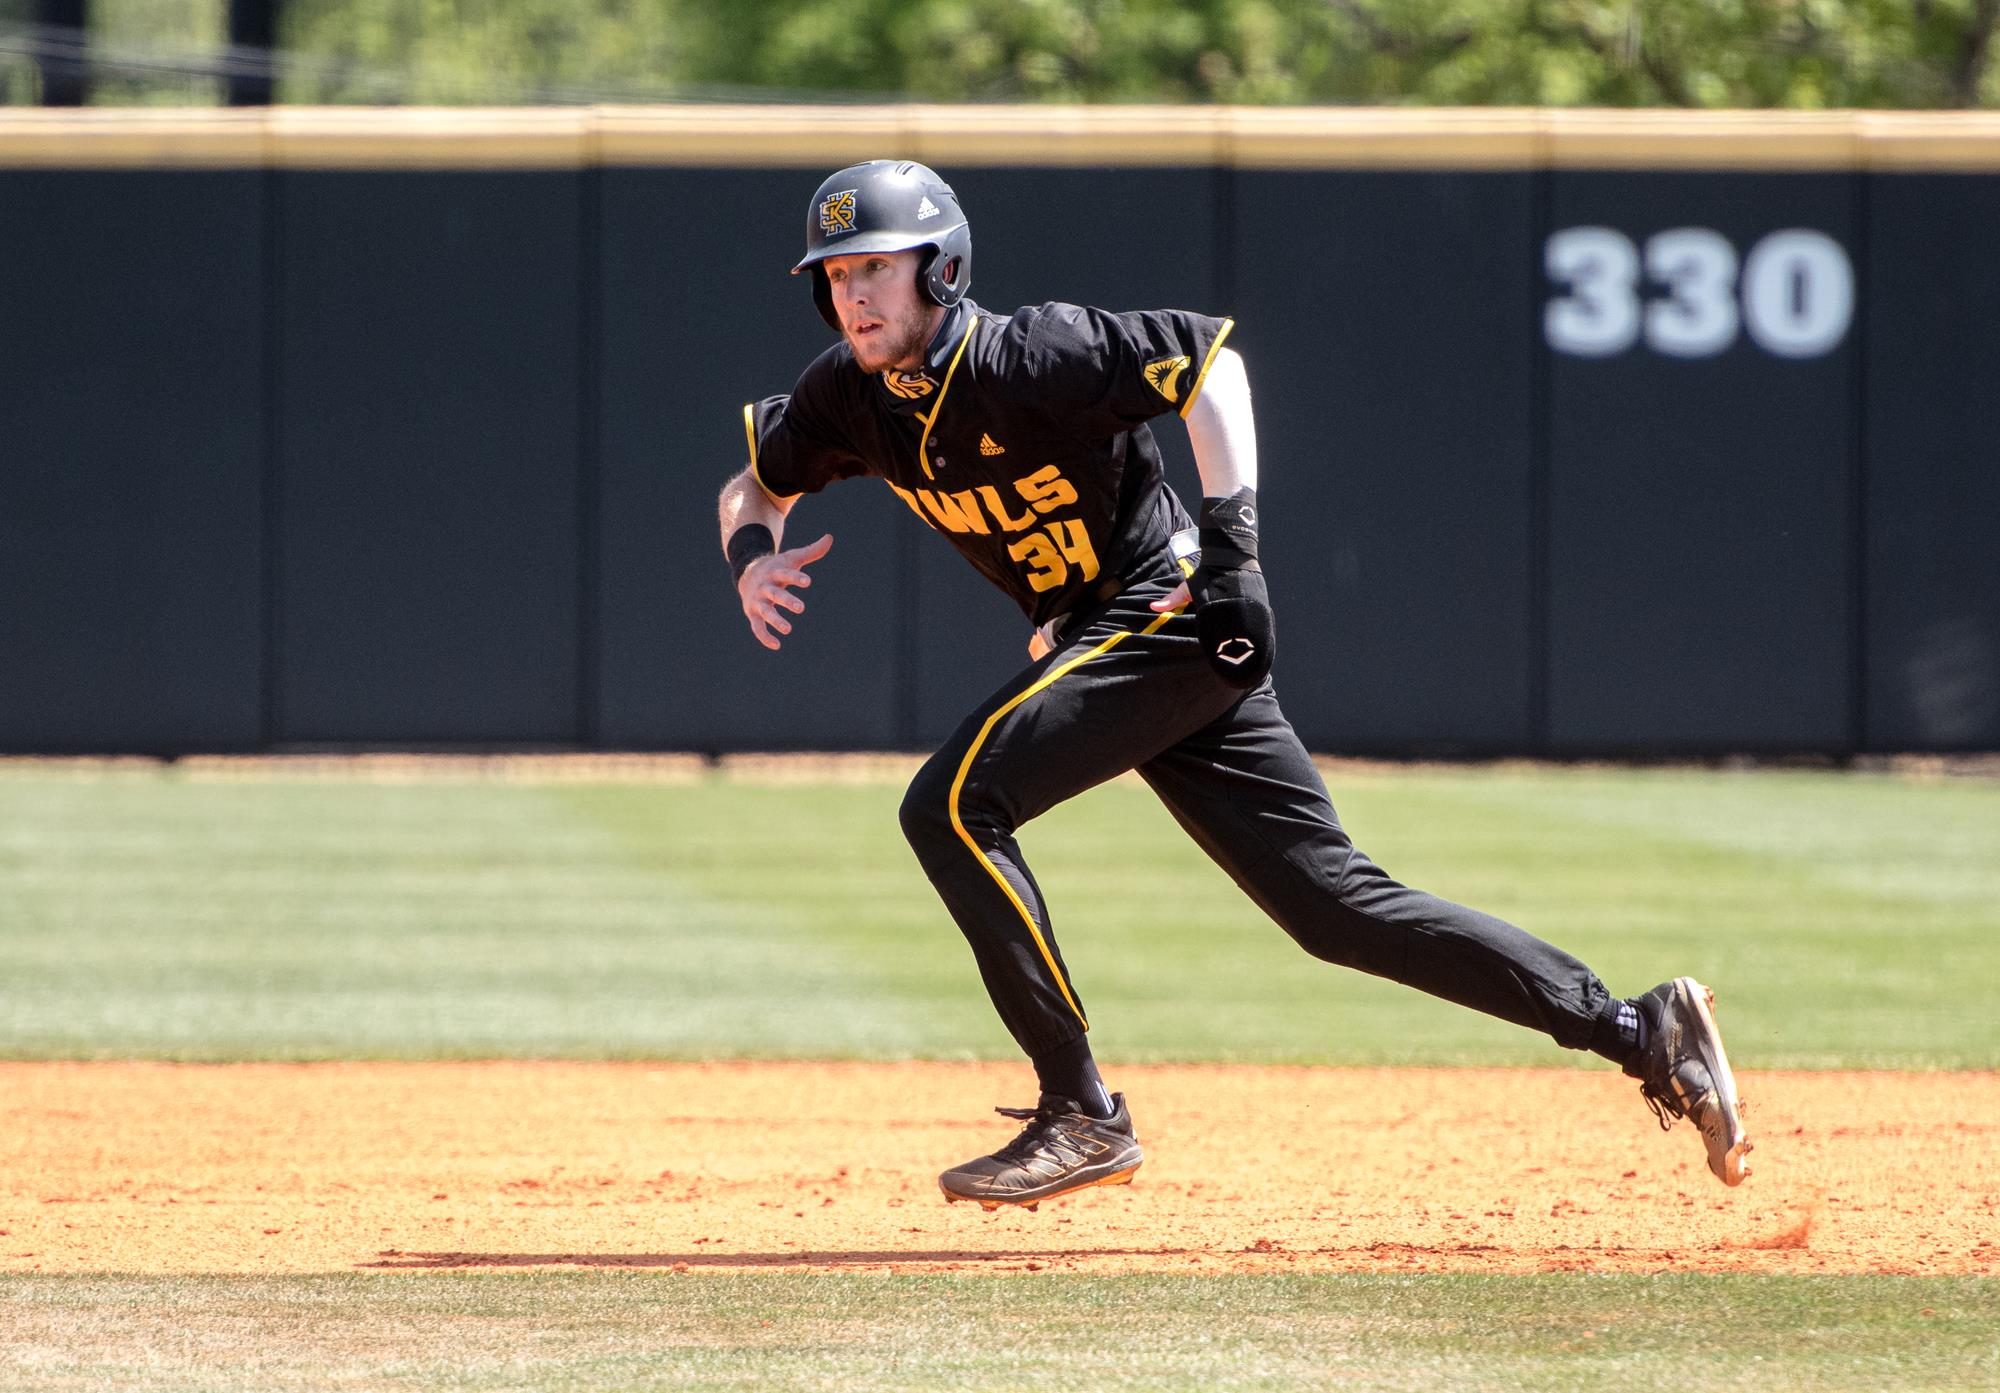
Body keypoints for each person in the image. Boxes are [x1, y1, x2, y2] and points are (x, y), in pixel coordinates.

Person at [716, 160, 1753, 1210]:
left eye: (876, 269)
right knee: (1335, 910)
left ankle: (1078, 1111)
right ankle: (1638, 1028)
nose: (853, 294)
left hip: (1169, 616)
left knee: (949, 806)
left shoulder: (1033, 352)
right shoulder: (847, 395)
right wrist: (750, 554)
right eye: (835, 273)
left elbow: (1211, 369)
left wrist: (1234, 552)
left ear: (940, 271)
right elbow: (751, 483)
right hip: (1117, 641)